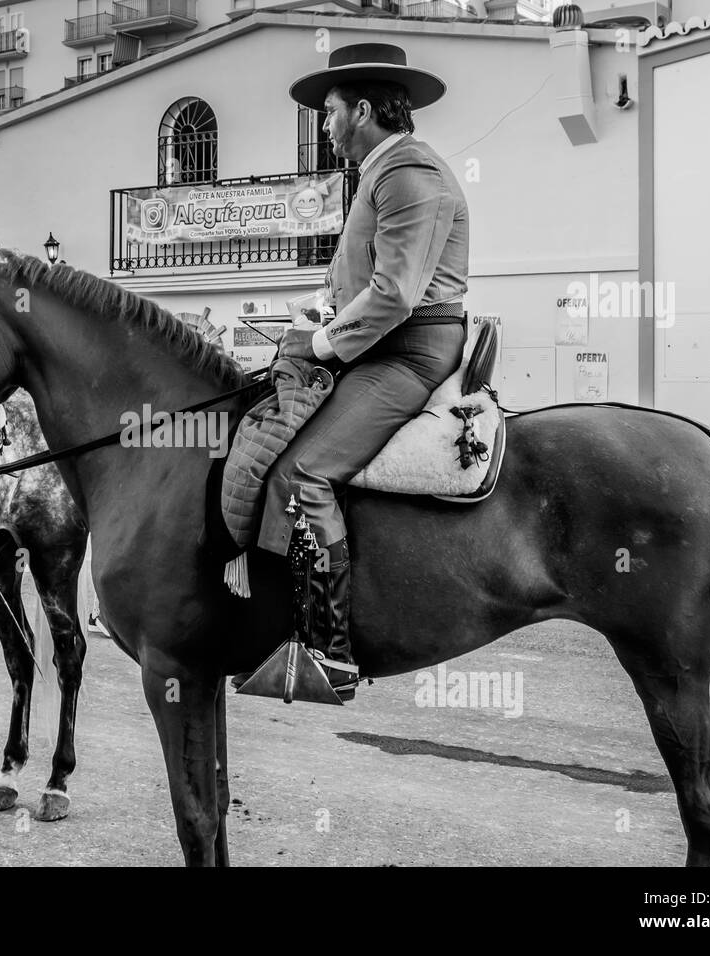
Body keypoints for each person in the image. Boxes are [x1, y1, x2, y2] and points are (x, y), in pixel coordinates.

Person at [265, 43, 470, 695]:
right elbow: (352, 279)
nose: (323, 128)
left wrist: (325, 345)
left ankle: (330, 654)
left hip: (409, 350)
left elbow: (396, 293)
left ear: (360, 110)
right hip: (384, 343)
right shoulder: (378, 174)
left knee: (306, 473)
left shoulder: (408, 172)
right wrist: (314, 310)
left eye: (327, 114)